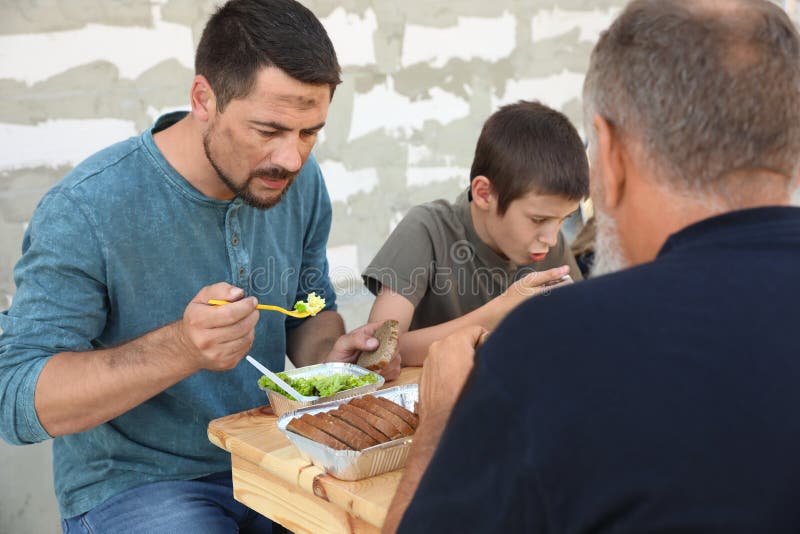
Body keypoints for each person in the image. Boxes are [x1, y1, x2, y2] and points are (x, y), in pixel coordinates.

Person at [383, 0, 800, 531]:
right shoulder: (433, 231)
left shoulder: (552, 347)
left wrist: (440, 427)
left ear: (606, 155)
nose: (550, 236)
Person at [0, 0, 397, 532]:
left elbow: (310, 309)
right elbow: (17, 401)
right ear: (203, 98)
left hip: (272, 455)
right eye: (268, 129)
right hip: (140, 483)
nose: (292, 158)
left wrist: (329, 357)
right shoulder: (86, 208)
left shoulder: (299, 182)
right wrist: (183, 348)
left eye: (310, 132)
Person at [363, 101, 589, 366]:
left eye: (564, 219)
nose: (551, 238)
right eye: (538, 219)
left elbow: (582, 333)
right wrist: (500, 311)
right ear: (484, 194)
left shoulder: (550, 244)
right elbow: (378, 354)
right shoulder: (426, 229)